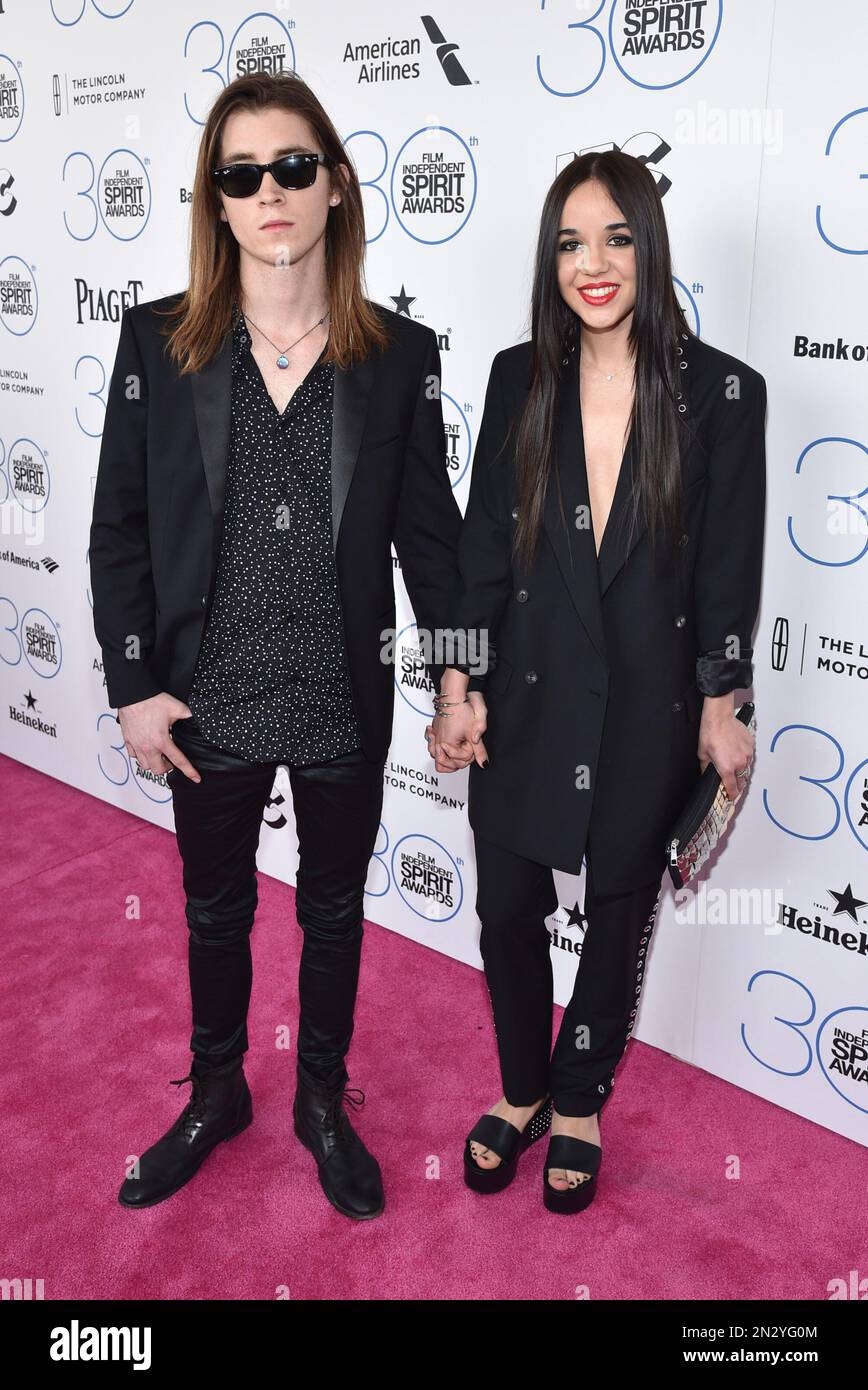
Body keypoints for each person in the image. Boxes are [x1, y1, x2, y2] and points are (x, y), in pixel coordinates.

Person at [89, 71, 463, 1221]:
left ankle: (317, 1099)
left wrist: (457, 677)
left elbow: (435, 542)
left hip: (341, 694)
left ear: (336, 187)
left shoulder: (398, 356)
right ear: (216, 199)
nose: (269, 193)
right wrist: (135, 685)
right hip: (207, 694)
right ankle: (216, 1094)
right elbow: (120, 529)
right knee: (214, 911)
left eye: (292, 167)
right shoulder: (161, 342)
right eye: (240, 175)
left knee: (334, 910)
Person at [429, 150, 767, 1213]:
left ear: (648, 245)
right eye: (570, 241)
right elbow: (482, 553)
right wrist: (455, 683)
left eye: (616, 236)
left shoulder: (720, 393)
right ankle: (523, 1086)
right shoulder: (516, 375)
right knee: (505, 913)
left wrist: (724, 704)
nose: (593, 262)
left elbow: (726, 571)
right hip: (523, 695)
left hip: (646, 705)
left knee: (616, 917)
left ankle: (578, 1101)